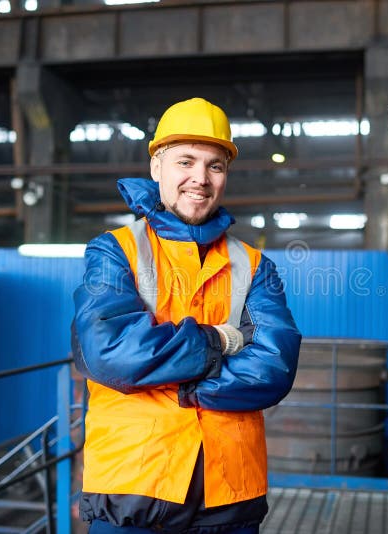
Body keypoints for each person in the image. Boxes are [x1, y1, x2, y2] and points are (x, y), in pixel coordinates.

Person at [71, 97, 302, 534]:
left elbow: (274, 366)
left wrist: (178, 385)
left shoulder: (253, 266)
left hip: (229, 495)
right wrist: (219, 342)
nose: (200, 178)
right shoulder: (114, 251)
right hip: (133, 490)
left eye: (215, 166)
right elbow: (111, 351)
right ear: (157, 166)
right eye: (186, 161)